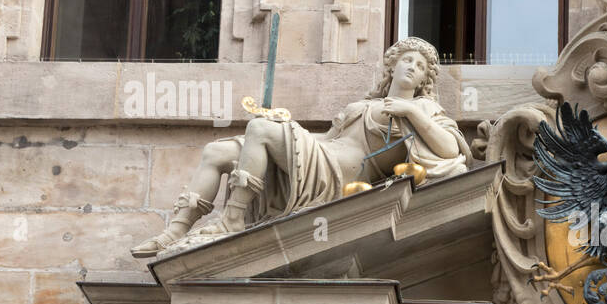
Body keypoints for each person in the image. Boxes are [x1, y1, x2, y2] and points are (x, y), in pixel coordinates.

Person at [131, 36, 470, 258]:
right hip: (322, 153)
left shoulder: (425, 109)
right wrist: (291, 134)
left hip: (339, 177)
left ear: (426, 79)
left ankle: (231, 220)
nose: (412, 66)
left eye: (421, 66)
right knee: (218, 152)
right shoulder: (365, 104)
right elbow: (329, 140)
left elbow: (449, 151)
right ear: (393, 65)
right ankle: (175, 231)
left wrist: (411, 111)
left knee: (260, 129)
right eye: (408, 60)